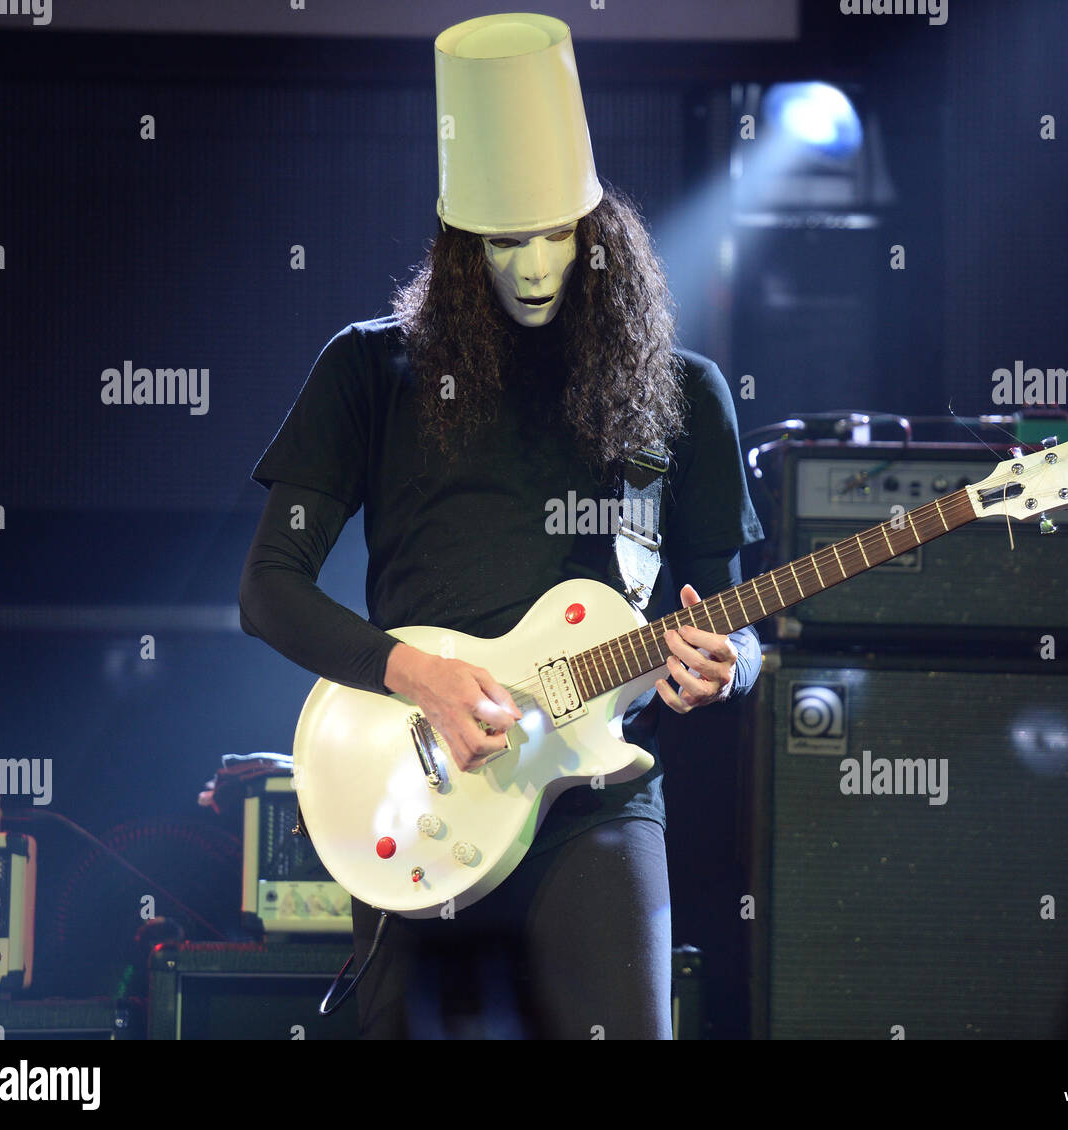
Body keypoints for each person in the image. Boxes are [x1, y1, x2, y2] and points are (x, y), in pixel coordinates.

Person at [238, 12, 763, 1039]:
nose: (531, 267)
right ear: (456, 240)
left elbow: (729, 617)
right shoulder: (368, 370)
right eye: (502, 241)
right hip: (423, 782)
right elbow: (269, 587)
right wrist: (414, 674)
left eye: (557, 235)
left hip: (596, 802)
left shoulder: (682, 398)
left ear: (600, 227)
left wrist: (726, 663)